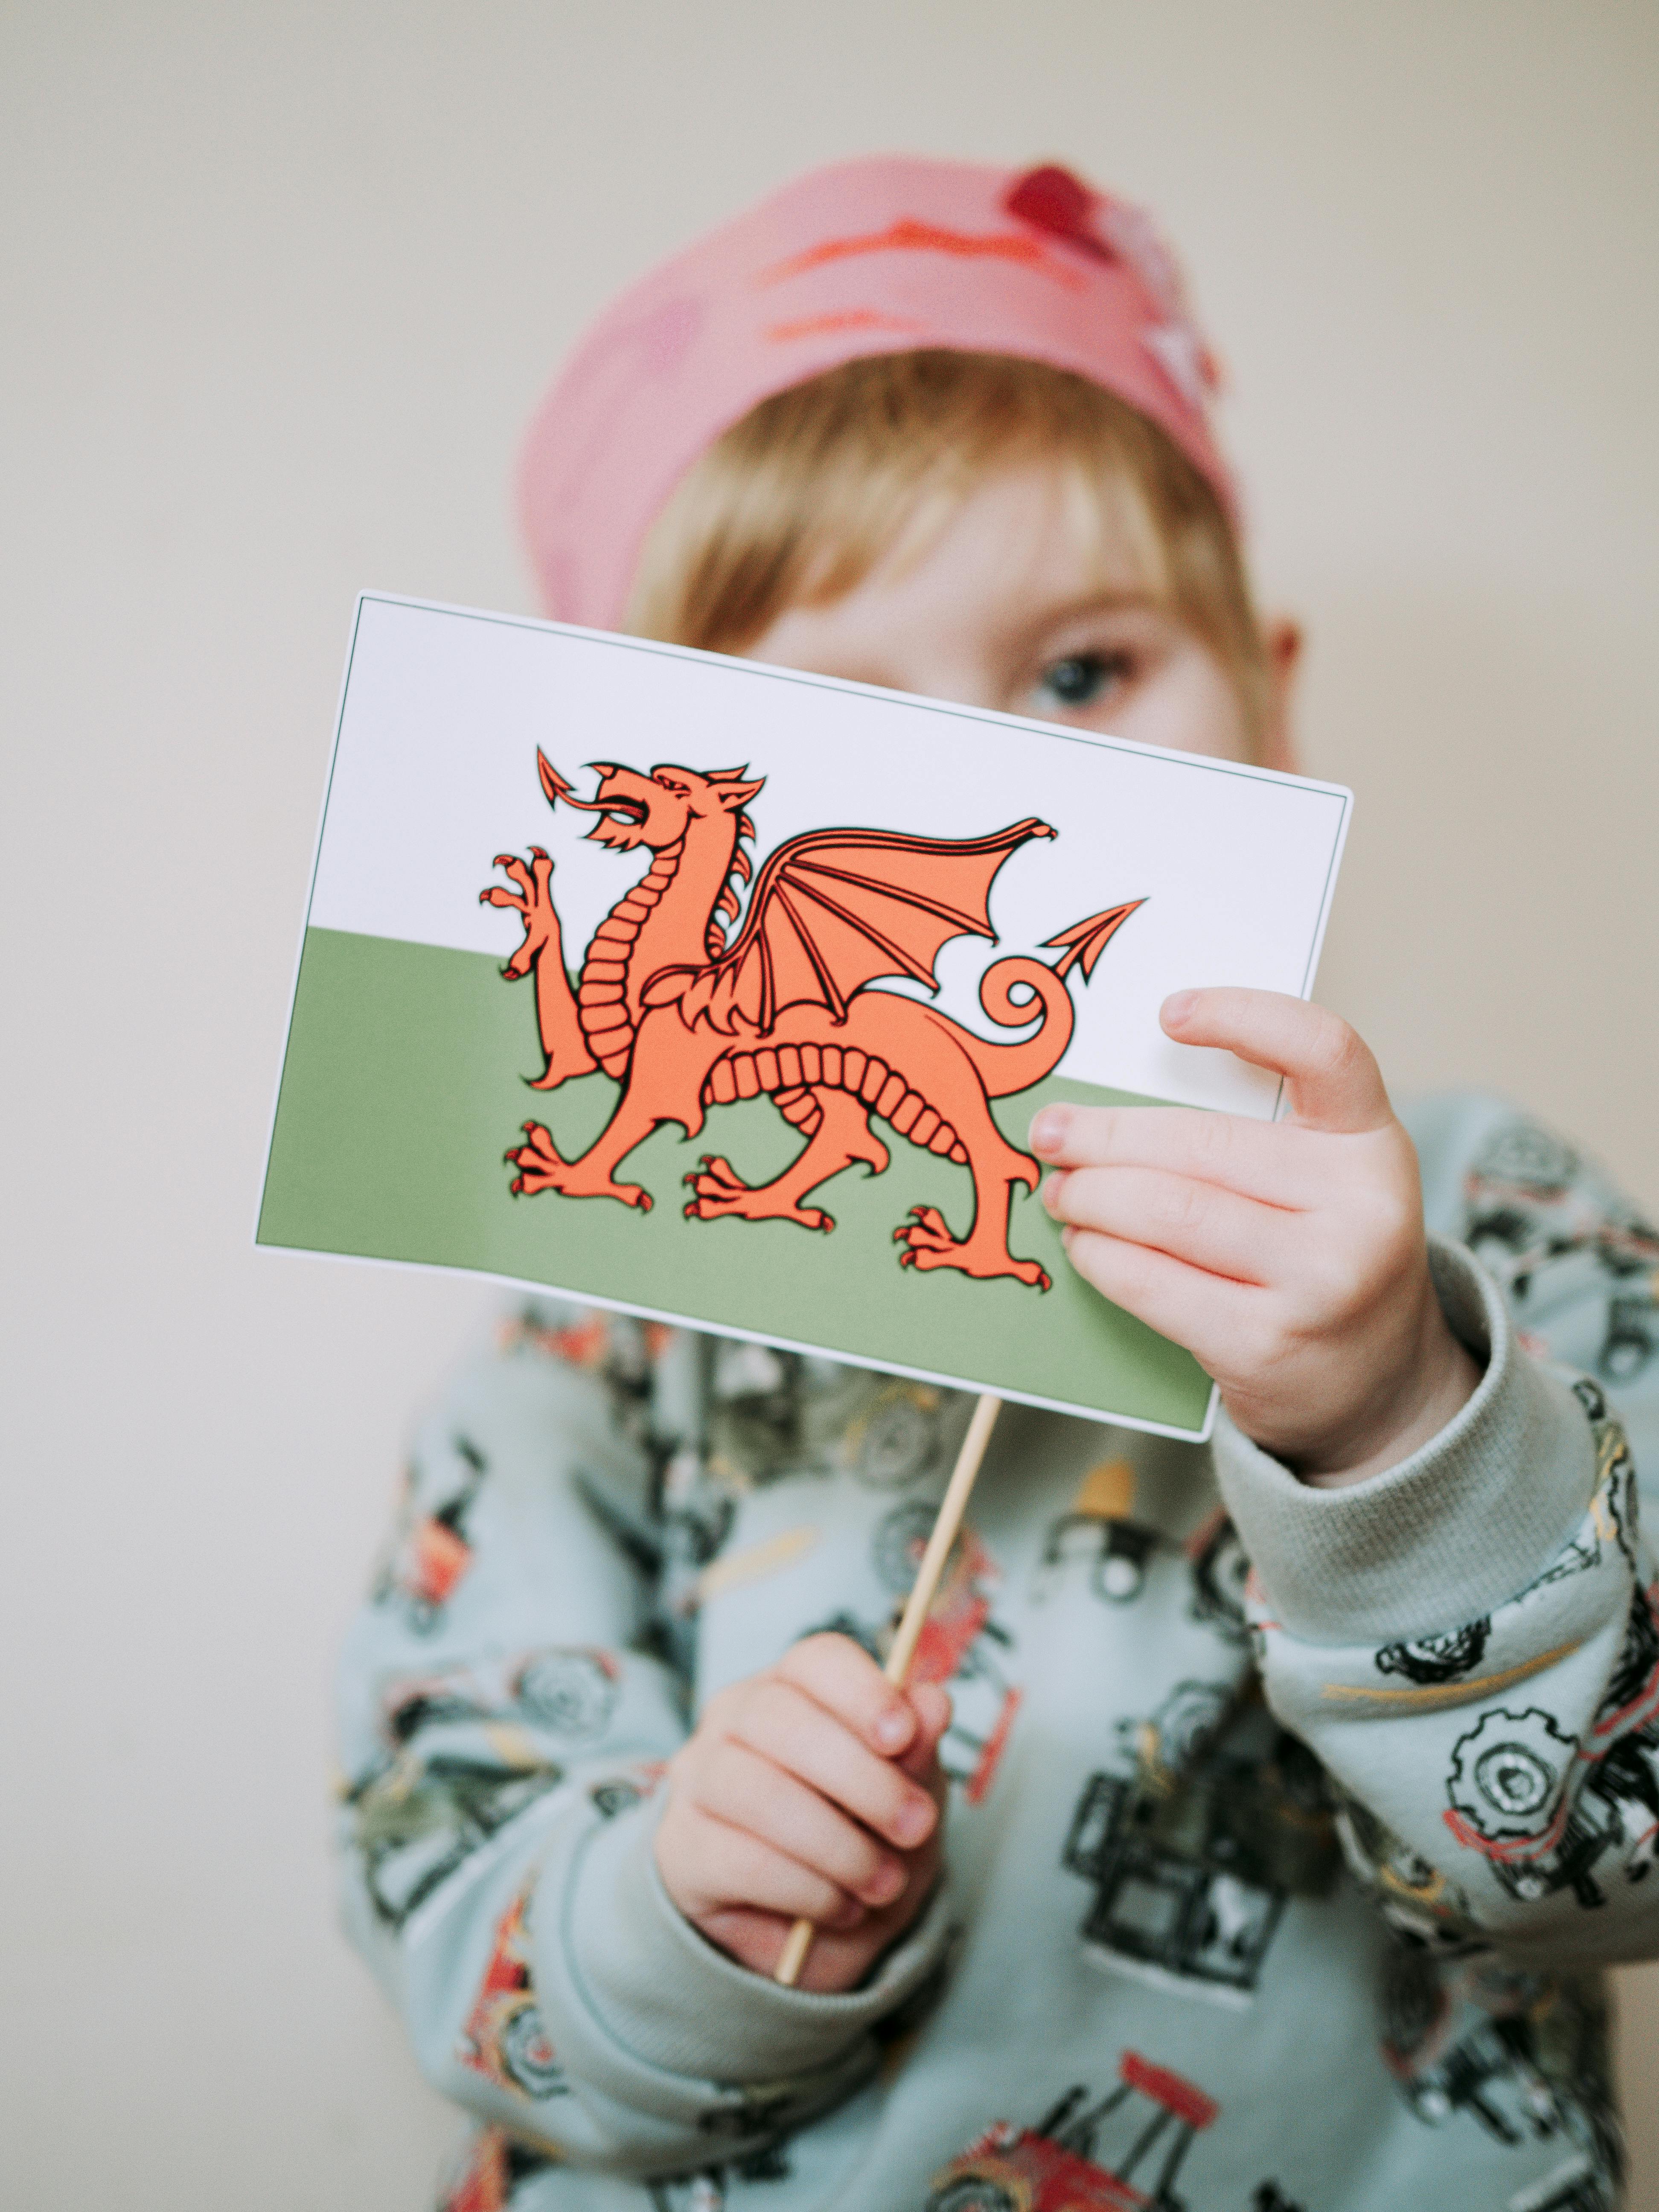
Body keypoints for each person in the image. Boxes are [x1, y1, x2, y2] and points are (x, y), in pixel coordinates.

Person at [336, 157, 1659, 2212]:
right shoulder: (595, 1306)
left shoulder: (1489, 1230)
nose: (1023, 786)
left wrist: (1403, 1428)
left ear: (1272, 686)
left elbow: (1616, 1861)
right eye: (843, 718)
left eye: (1081, 674)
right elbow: (456, 1894)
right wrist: (675, 1916)